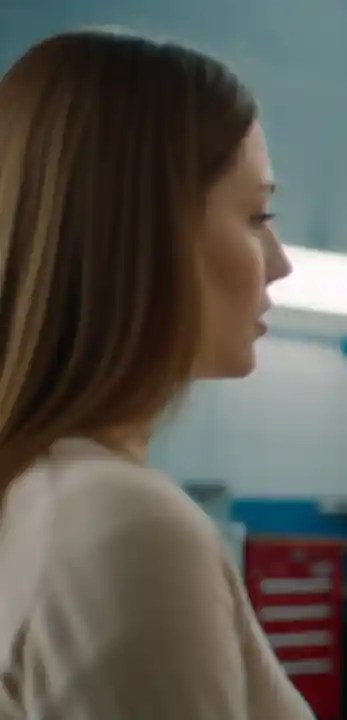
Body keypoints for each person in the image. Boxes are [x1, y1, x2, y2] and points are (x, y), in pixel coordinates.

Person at [0, 30, 314, 719]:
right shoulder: (117, 523)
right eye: (257, 215)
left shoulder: (42, 500)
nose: (280, 261)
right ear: (145, 233)